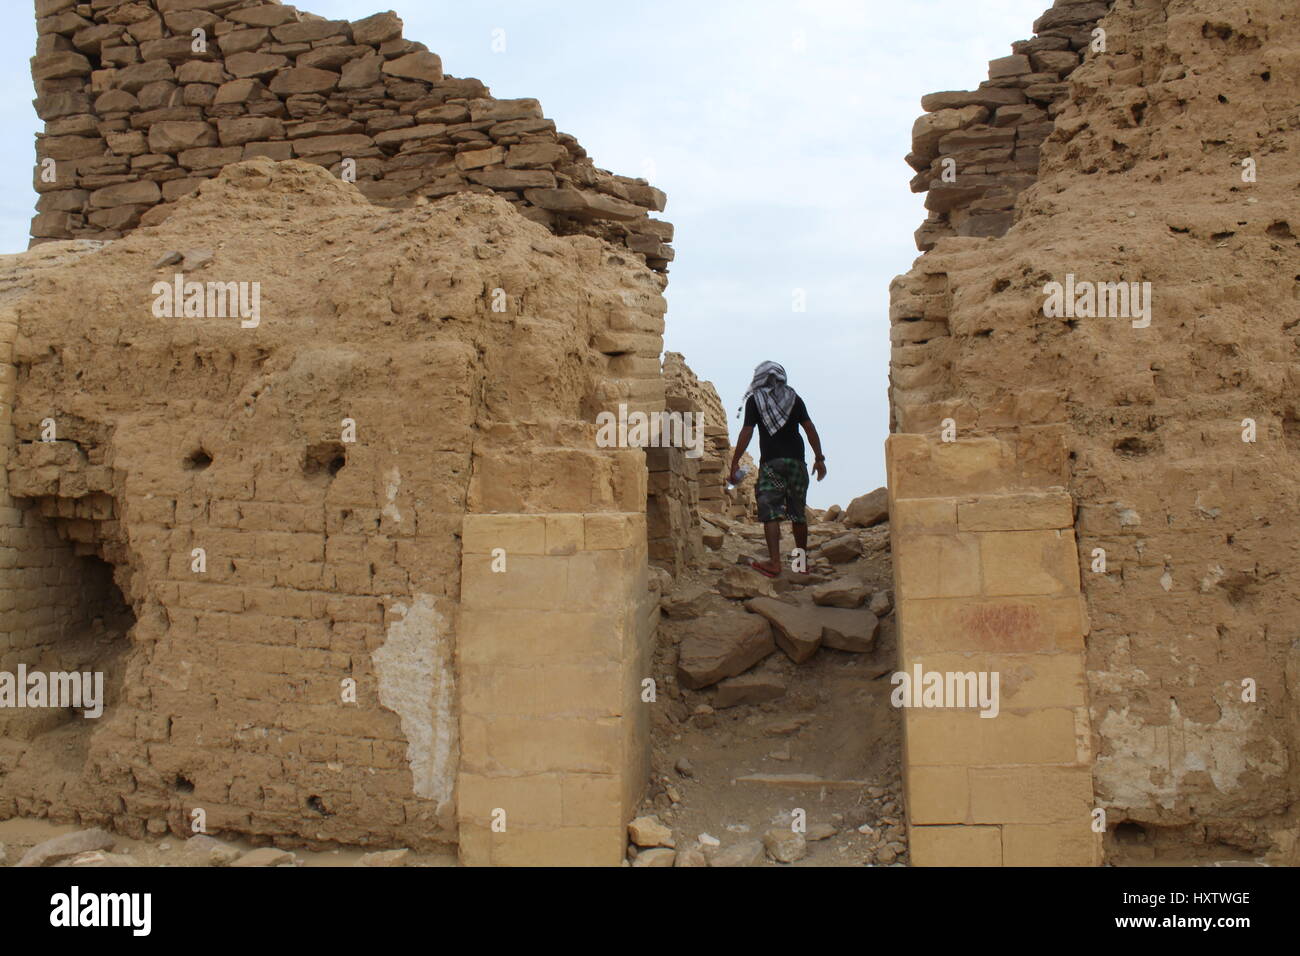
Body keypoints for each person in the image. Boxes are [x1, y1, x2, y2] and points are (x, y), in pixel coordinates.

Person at [727, 361, 826, 577]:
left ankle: (774, 563)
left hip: (772, 465)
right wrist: (819, 458)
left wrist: (735, 461)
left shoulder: (756, 401)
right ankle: (801, 564)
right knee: (798, 514)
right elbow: (810, 428)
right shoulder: (794, 398)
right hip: (797, 464)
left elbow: (747, 431)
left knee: (771, 512)